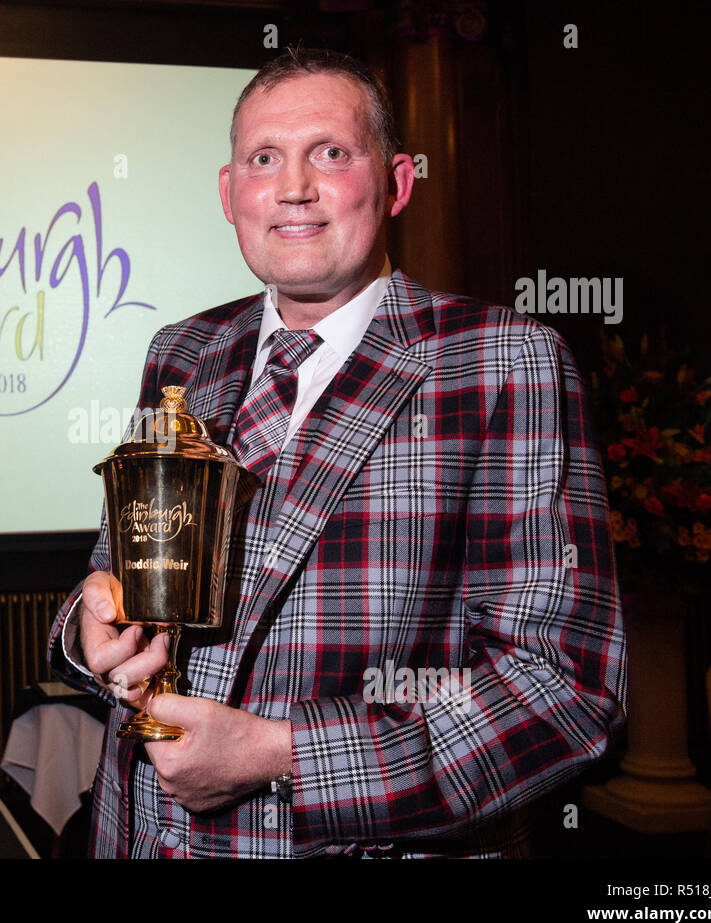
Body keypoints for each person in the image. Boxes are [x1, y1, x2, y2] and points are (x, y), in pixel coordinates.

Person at [48, 47, 627, 858]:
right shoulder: (183, 351)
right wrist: (89, 630)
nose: (293, 188)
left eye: (330, 153)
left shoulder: (503, 361)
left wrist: (279, 756)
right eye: (263, 159)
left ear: (394, 184)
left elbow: (564, 692)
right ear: (229, 194)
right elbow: (115, 567)